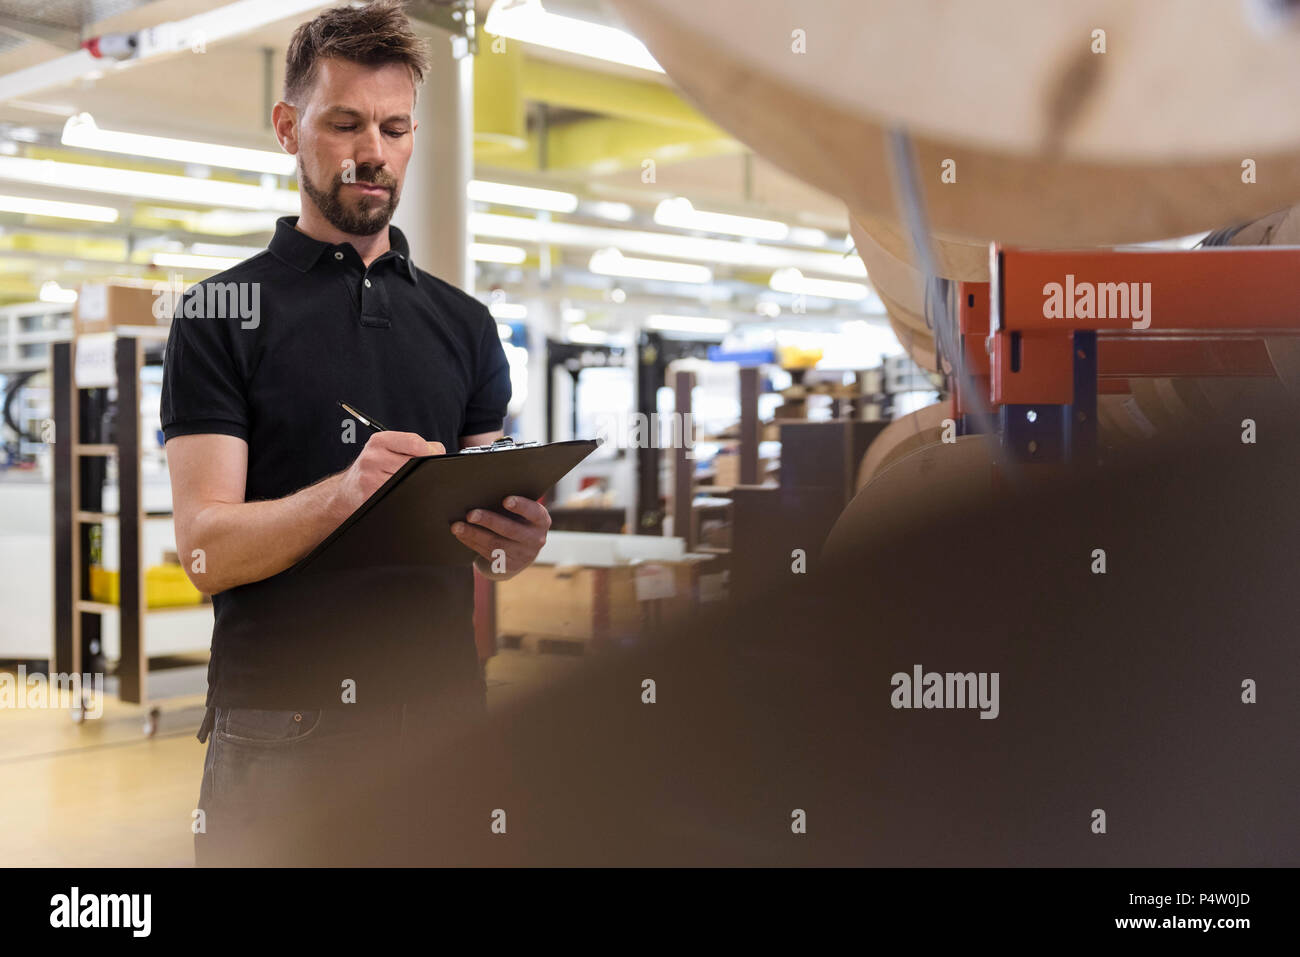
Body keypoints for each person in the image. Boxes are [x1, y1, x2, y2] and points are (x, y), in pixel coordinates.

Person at [160, 0, 550, 866]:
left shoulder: (468, 324)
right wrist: (347, 493)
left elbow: (482, 539)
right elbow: (203, 551)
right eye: (344, 123)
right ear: (288, 127)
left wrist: (510, 542)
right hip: (279, 730)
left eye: (394, 126)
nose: (372, 150)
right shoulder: (221, 315)